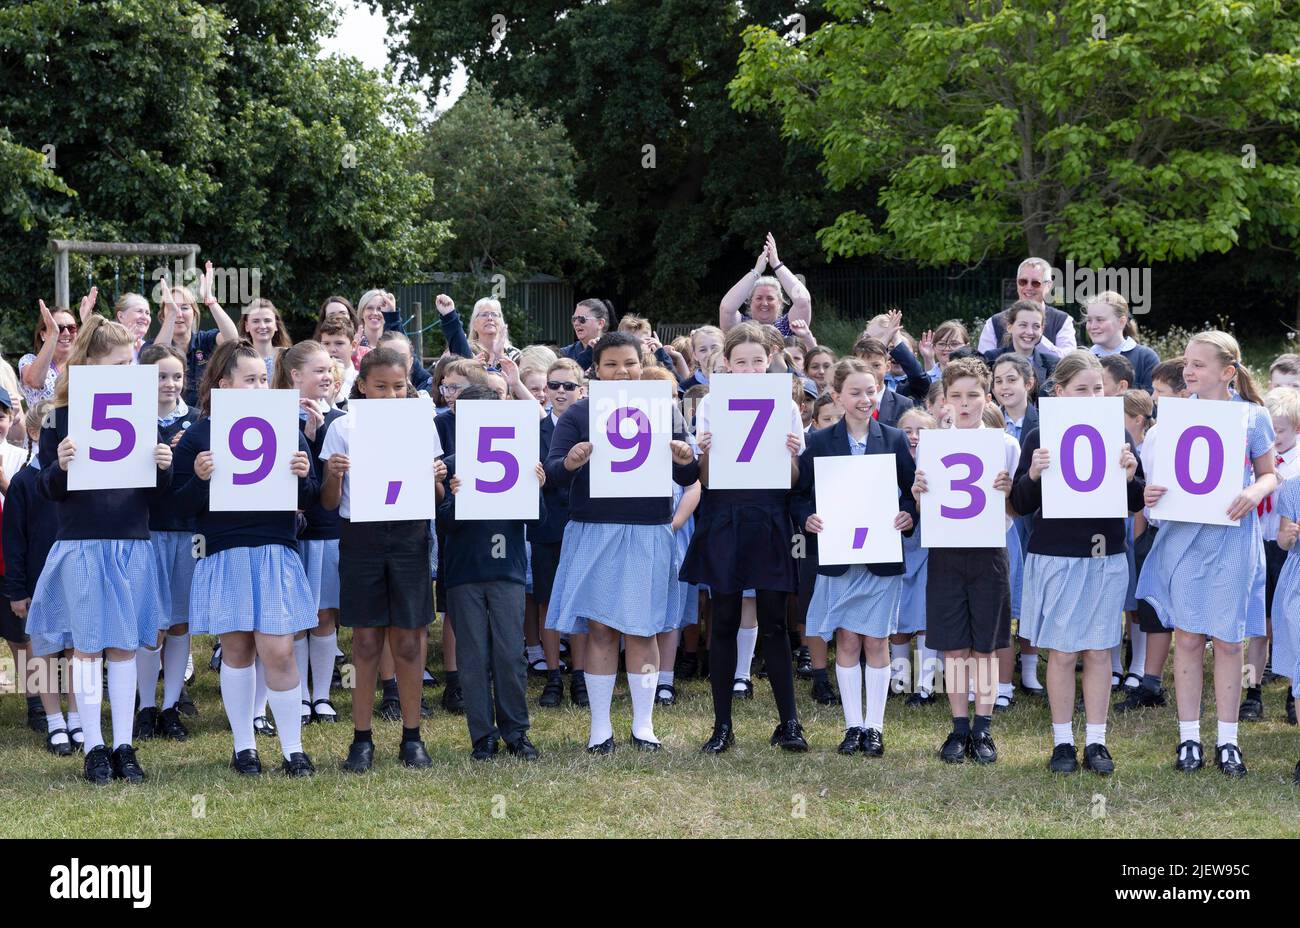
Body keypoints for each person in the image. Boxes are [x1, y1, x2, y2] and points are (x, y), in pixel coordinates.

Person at [27, 317, 172, 784]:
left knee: (124, 646)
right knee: (87, 648)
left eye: (129, 361)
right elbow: (47, 487)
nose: (126, 369)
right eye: (117, 362)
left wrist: (163, 466)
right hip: (82, 541)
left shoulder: (141, 409)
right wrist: (62, 465)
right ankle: (92, 747)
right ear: (89, 362)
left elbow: (157, 492)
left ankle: (125, 745)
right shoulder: (59, 414)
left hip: (130, 539)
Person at [544, 331, 699, 754]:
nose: (621, 371)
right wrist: (571, 461)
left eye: (629, 363)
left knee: (643, 627)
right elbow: (554, 474)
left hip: (649, 528)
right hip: (595, 528)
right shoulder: (579, 413)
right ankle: (600, 728)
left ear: (642, 364)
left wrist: (686, 460)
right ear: (596, 370)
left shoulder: (664, 410)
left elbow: (688, 476)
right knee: (600, 628)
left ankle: (644, 725)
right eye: (611, 364)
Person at [171, 339, 319, 778]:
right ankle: (244, 749)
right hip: (224, 552)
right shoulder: (199, 434)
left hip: (274, 549)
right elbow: (177, 507)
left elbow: (310, 501)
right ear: (223, 384)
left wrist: (305, 476)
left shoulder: (284, 428)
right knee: (235, 650)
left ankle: (293, 749)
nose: (258, 386)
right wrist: (198, 479)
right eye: (249, 379)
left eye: (262, 379)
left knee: (278, 650)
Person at [1136, 331, 1276, 777]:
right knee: (1190, 638)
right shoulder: (1173, 418)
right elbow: (1159, 483)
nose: (1188, 372)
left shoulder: (1253, 417)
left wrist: (1254, 491)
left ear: (1227, 372)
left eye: (1198, 365)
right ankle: (1189, 737)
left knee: (1229, 640)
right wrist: (1151, 493)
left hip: (1233, 538)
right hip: (1184, 538)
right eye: (1187, 365)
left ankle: (1229, 741)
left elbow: (1269, 474)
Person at [1011, 350, 1144, 775]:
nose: (1091, 396)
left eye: (1098, 388)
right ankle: (1063, 741)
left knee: (1101, 649)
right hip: (1056, 556)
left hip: (1105, 557)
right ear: (1060, 390)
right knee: (1064, 652)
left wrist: (1131, 475)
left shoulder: (1117, 434)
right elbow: (1018, 503)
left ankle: (1098, 742)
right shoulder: (1038, 435)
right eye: (1081, 389)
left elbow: (1137, 501)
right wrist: (1032, 474)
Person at [682, 322, 807, 754]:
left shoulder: (786, 405)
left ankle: (789, 723)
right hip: (725, 518)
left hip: (770, 518)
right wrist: (707, 452)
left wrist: (792, 456)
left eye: (758, 361)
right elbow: (706, 479)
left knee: (774, 621)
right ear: (727, 365)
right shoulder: (713, 404)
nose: (751, 368)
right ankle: (722, 726)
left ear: (770, 360)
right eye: (742, 362)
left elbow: (792, 482)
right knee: (725, 620)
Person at [320, 347, 444, 772]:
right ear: (361, 387)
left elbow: (437, 498)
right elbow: (329, 502)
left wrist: (436, 480)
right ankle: (362, 738)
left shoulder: (421, 423)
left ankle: (412, 737)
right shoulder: (343, 427)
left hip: (409, 535)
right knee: (368, 639)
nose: (391, 395)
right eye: (381, 387)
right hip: (361, 536)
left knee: (409, 638)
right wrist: (334, 473)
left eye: (398, 386)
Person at [795, 359, 916, 756]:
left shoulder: (895, 439)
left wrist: (907, 515)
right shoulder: (819, 443)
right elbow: (798, 495)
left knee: (876, 641)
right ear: (837, 396)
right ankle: (853, 726)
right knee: (846, 639)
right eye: (856, 392)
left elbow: (909, 492)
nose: (865, 399)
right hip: (839, 554)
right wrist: (806, 518)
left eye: (871, 391)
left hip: (881, 554)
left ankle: (875, 727)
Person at [911, 357, 1019, 765]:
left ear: (986, 397)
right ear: (945, 400)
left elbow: (1015, 508)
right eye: (956, 395)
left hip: (990, 553)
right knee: (955, 647)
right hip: (946, 553)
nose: (966, 402)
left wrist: (1008, 490)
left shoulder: (1005, 444)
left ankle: (984, 728)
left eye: (973, 395)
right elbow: (926, 509)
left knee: (985, 647)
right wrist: (920, 492)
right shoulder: (933, 444)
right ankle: (959, 727)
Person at [438, 384, 545, 760]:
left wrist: (536, 486)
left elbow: (540, 520)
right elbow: (443, 526)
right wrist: (450, 493)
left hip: (507, 570)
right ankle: (482, 734)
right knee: (472, 655)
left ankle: (517, 731)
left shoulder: (519, 455)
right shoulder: (449, 463)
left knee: (509, 653)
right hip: (465, 570)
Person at [274, 341, 347, 725]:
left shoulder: (343, 418)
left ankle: (321, 696)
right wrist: (307, 432)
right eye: (318, 370)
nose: (326, 376)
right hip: (290, 533)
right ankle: (299, 695)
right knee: (296, 616)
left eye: (330, 370)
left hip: (328, 529)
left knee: (324, 615)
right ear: (295, 376)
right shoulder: (272, 416)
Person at [135, 344, 201, 742]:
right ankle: (144, 707)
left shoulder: (196, 420)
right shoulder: (128, 419)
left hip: (187, 529)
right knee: (150, 625)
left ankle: (170, 707)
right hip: (146, 529)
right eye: (161, 376)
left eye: (176, 376)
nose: (170, 384)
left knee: (179, 622)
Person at [1115, 359, 1189, 715]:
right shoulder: (1158, 435)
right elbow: (1145, 491)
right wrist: (1141, 538)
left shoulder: (1218, 427)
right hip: (1160, 533)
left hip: (1197, 533)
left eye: (1160, 392)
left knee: (1189, 614)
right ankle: (1151, 683)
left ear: (1183, 392)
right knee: (1153, 607)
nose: (1154, 398)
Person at [4, 400, 71, 753]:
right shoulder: (23, 483)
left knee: (78, 648)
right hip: (37, 583)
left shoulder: (78, 477)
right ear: (35, 432)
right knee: (43, 649)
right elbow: (14, 542)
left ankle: (76, 717)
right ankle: (53, 719)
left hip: (74, 576)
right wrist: (16, 590)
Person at [1242, 386, 1300, 722]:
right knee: (1257, 625)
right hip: (1257, 542)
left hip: (1289, 552)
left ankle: (1294, 694)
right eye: (1270, 430)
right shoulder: (1255, 455)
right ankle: (1253, 689)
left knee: (1291, 624)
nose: (1273, 437)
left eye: (1280, 431)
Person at [533, 358, 587, 709]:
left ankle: (580, 675)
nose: (561, 392)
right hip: (547, 524)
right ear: (546, 390)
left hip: (583, 521)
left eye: (569, 385)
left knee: (581, 601)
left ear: (582, 390)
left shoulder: (592, 424)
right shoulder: (532, 430)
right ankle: (553, 675)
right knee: (547, 601)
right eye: (554, 385)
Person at [892, 408, 940, 706]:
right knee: (897, 616)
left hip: (929, 546)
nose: (913, 436)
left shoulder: (938, 463)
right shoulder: (886, 462)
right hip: (896, 546)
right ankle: (898, 679)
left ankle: (925, 684)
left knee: (924, 613)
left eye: (921, 431)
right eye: (906, 430)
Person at [151, 262, 241, 407]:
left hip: (205, 418)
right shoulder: (153, 345)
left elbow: (232, 339)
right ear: (163, 316)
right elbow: (157, 357)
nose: (179, 313)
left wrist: (210, 301)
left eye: (185, 307)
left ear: (194, 314)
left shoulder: (205, 340)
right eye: (172, 307)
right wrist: (171, 314)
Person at [976, 258, 1076, 357]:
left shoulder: (1062, 321)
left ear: (1048, 286)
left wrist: (1038, 339)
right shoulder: (994, 322)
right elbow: (983, 364)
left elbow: (1069, 361)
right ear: (1016, 283)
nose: (1029, 287)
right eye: (1023, 281)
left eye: (1035, 283)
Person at [719, 233, 812, 338]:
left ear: (780, 302)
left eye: (770, 298)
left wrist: (777, 264)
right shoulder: (741, 327)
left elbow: (804, 301)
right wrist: (756, 271)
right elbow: (726, 308)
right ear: (750, 302)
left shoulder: (789, 326)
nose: (764, 303)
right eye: (759, 298)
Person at [20, 292, 90, 409]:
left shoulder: (84, 361)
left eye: (72, 328)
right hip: (44, 426)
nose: (66, 333)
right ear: (43, 334)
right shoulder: (29, 360)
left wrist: (89, 323)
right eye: (59, 328)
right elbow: (35, 382)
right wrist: (53, 335)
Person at [1085, 291, 1159, 392]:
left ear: (1121, 322)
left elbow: (1154, 402)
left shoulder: (1145, 358)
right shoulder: (1083, 359)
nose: (1093, 326)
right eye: (1089, 320)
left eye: (1100, 320)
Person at [982, 301, 1058, 394]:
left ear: (1042, 330)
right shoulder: (992, 358)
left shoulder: (1052, 364)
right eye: (1023, 325)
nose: (1030, 332)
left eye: (1036, 326)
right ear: (1009, 327)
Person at [560, 299, 612, 371]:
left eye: (582, 319)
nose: (576, 323)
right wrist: (588, 355)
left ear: (600, 323)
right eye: (574, 319)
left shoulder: (614, 350)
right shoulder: (565, 354)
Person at [468, 298, 522, 364]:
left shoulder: (514, 355)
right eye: (484, 314)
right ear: (474, 325)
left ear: (501, 323)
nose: (490, 318)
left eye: (494, 314)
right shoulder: (466, 353)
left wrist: (500, 356)